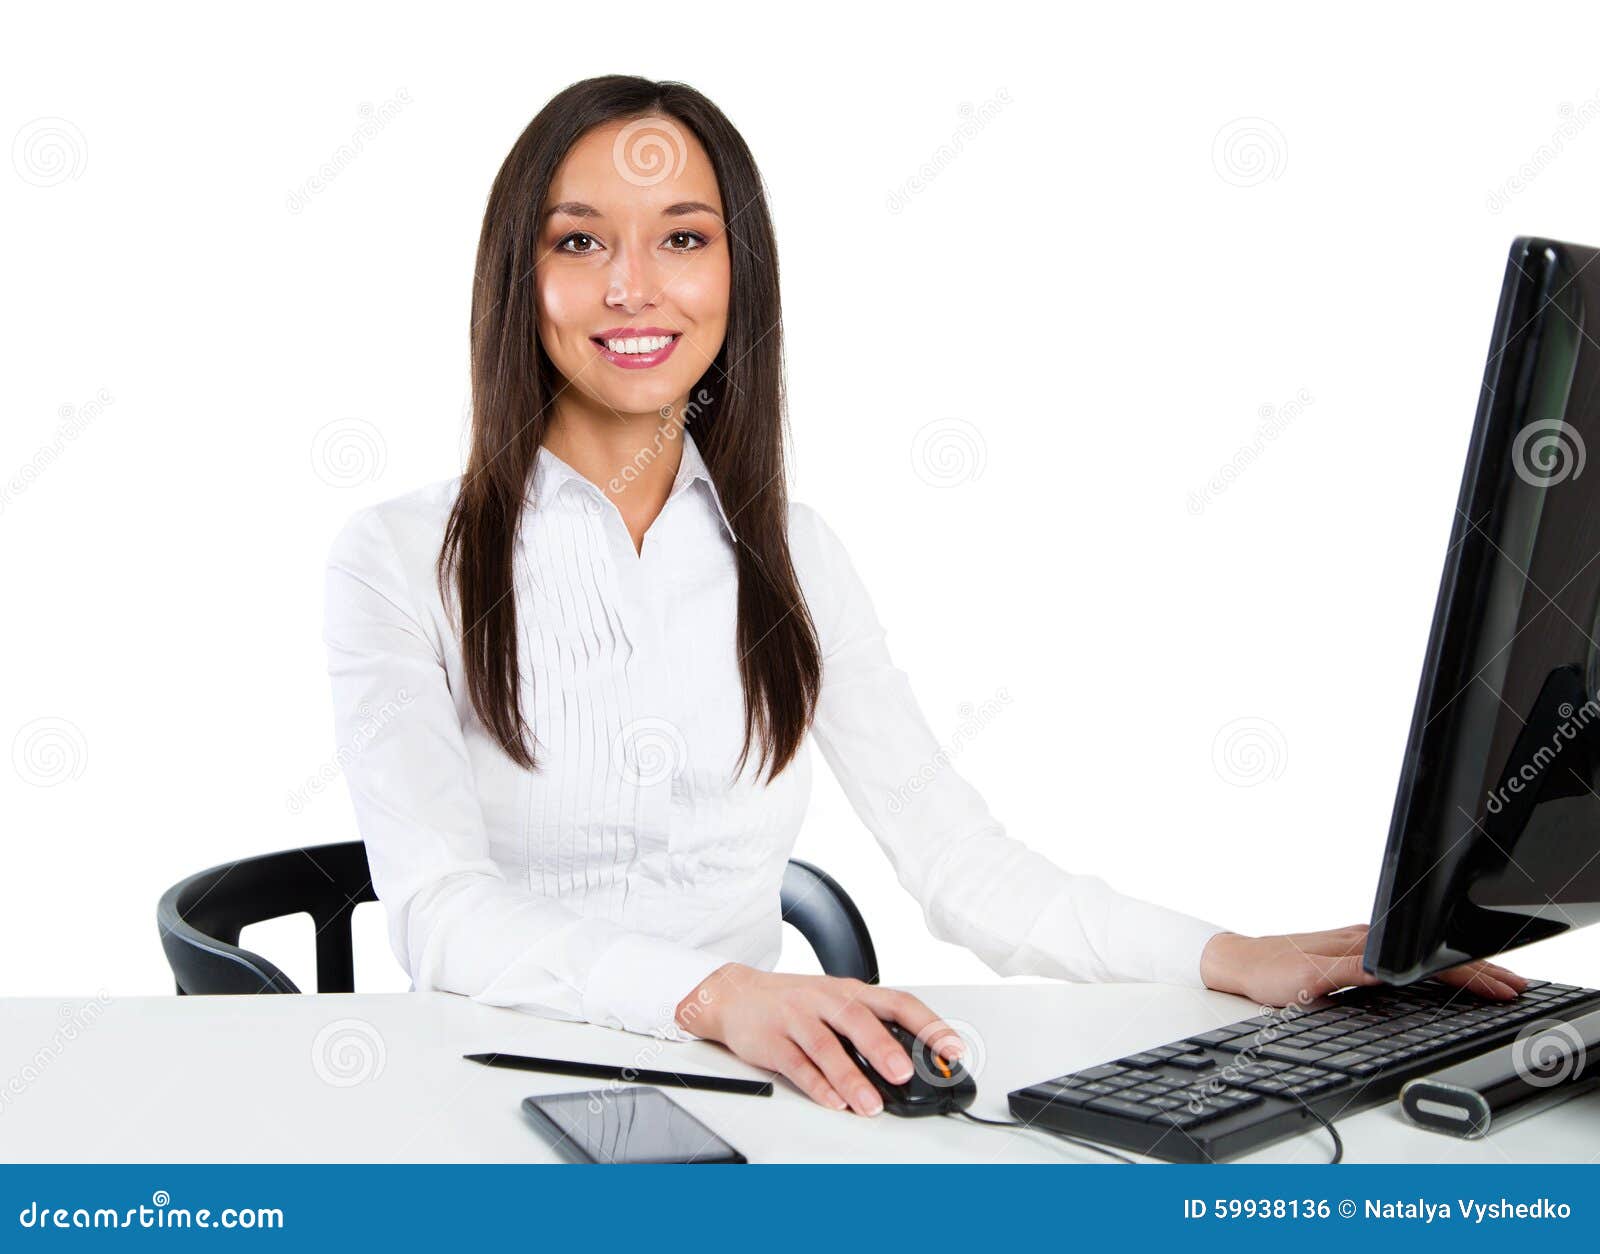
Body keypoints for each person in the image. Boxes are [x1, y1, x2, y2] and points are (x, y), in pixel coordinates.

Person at [321, 74, 1527, 1119]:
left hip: (760, 1105)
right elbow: (442, 912)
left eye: (684, 238)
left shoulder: (790, 552)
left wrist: (1231, 957)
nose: (635, 287)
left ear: (739, 272)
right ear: (516, 278)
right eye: (579, 242)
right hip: (487, 1094)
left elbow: (962, 863)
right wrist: (718, 995)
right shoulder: (395, 555)